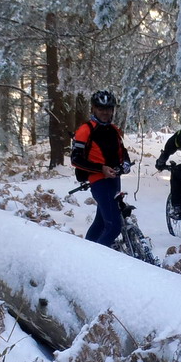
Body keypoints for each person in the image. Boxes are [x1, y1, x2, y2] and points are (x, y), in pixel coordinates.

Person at [71, 90, 132, 246]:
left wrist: (125, 163)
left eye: (108, 109)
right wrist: (101, 169)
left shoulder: (113, 130)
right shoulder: (85, 130)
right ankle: (96, 262)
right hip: (99, 181)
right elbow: (76, 159)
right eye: (101, 108)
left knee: (101, 223)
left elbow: (122, 151)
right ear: (93, 109)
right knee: (113, 227)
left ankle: (86, 253)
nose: (105, 112)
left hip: (114, 180)